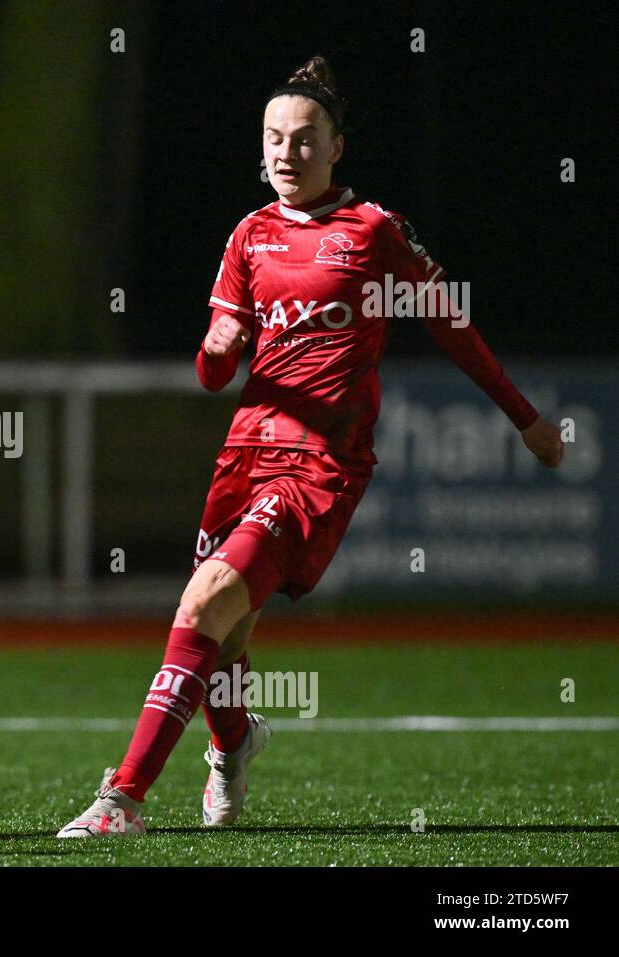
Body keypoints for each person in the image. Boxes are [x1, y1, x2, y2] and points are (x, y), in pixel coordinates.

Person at [57, 57, 563, 837]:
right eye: (273, 140)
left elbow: (449, 325)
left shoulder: (374, 233)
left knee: (201, 603)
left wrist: (524, 417)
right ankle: (235, 745)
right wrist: (219, 344)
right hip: (245, 455)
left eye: (303, 139)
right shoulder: (249, 235)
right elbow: (212, 370)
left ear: (335, 149)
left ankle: (123, 798)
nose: (286, 154)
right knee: (223, 637)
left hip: (319, 465)